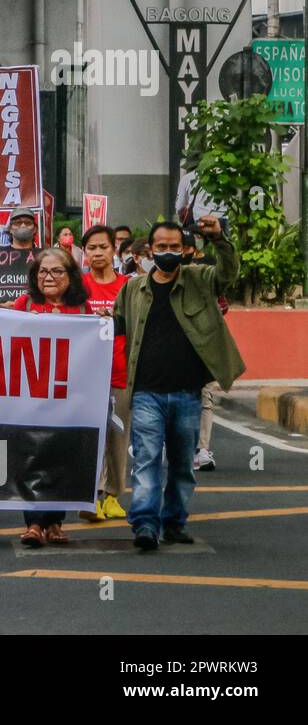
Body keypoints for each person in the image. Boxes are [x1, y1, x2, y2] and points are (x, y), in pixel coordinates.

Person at [113, 216, 243, 550]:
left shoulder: (200, 279)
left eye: (174, 247)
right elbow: (112, 327)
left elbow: (228, 274)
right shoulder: (132, 289)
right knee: (147, 458)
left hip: (188, 394)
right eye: (161, 247)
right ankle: (144, 523)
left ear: (185, 250)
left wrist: (220, 240)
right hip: (145, 393)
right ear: (149, 250)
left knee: (183, 464)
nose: (168, 252)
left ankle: (174, 522)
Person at [13, 247, 90, 547]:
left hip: (70, 401)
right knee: (30, 459)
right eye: (43, 271)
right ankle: (33, 523)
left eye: (57, 271)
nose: (49, 277)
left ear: (70, 276)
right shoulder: (25, 303)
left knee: (63, 459)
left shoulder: (84, 310)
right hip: (30, 399)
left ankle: (56, 522)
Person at [80, 224, 130, 521]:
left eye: (103, 247)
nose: (98, 252)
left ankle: (113, 495)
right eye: (92, 248)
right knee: (91, 437)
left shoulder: (128, 286)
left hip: (122, 373)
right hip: (87, 377)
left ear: (114, 250)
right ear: (84, 253)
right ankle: (93, 496)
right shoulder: (78, 286)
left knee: (118, 438)